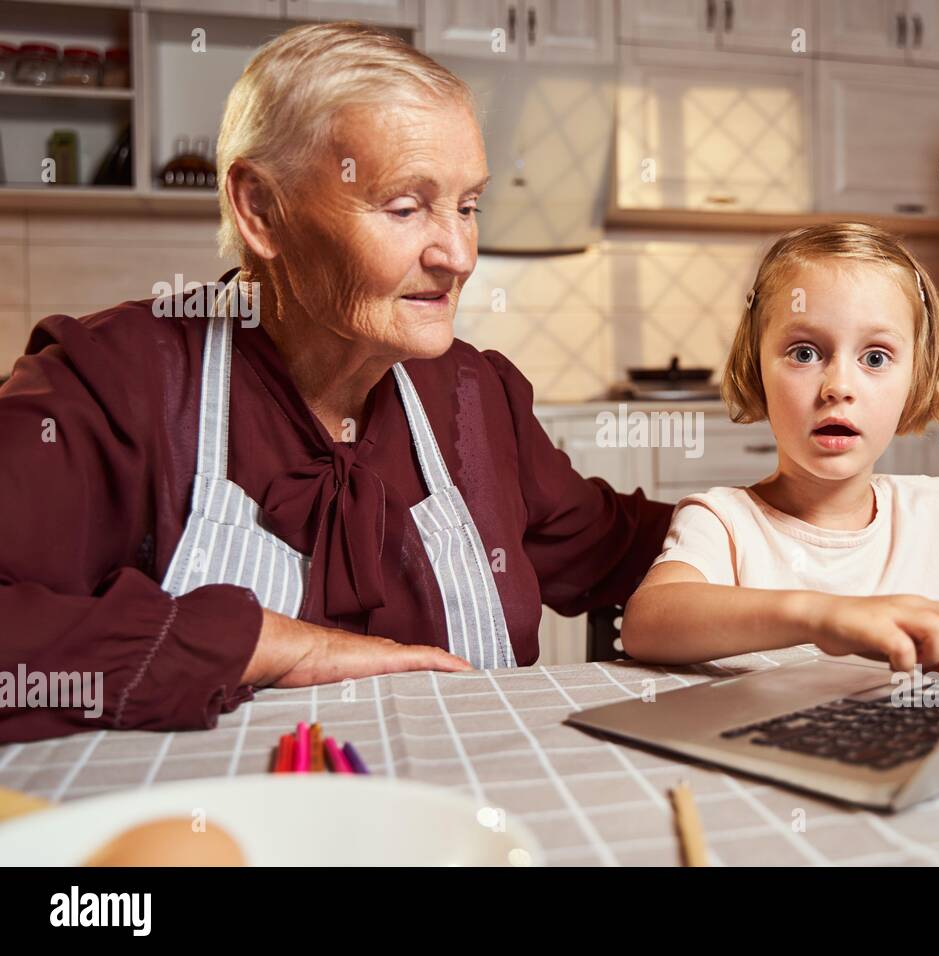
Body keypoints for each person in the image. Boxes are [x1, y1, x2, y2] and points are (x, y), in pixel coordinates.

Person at [0, 23, 671, 743]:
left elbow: (622, 550)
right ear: (261, 209)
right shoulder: (114, 382)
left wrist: (788, 511)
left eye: (468, 205)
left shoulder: (476, 397)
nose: (458, 255)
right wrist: (275, 645)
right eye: (406, 207)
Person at [621, 223, 939, 672]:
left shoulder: (937, 514)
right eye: (804, 353)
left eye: (875, 358)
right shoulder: (724, 522)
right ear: (756, 367)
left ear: (915, 379)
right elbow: (648, 624)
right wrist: (824, 616)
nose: (838, 386)